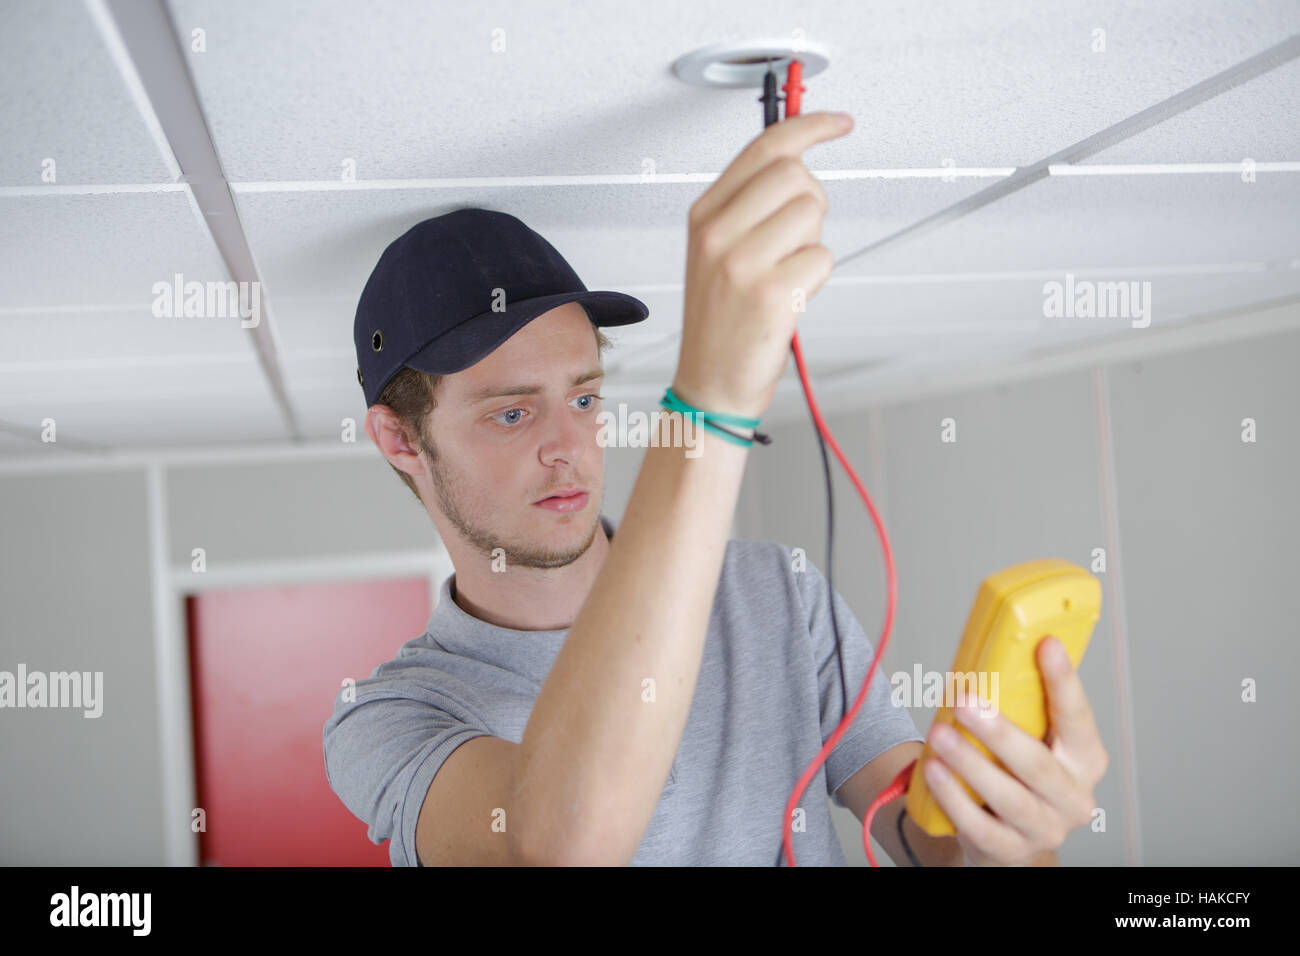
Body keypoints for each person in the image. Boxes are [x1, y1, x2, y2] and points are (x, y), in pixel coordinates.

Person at [323, 112, 1108, 866]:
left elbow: (918, 837)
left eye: (586, 398)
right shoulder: (389, 717)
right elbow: (556, 843)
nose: (568, 447)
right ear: (401, 441)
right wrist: (707, 400)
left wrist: (1005, 836)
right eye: (513, 412)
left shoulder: (777, 594)